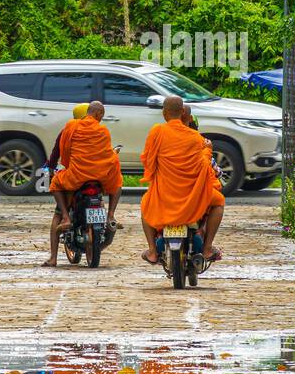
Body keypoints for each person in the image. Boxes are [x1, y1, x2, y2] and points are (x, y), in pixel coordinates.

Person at [140, 96, 224, 265]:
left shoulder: (157, 132)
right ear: (183, 112)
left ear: (164, 112)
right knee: (219, 201)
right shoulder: (195, 138)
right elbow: (204, 165)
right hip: (192, 196)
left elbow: (148, 162)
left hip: (164, 194)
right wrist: (208, 151)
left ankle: (152, 251)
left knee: (145, 204)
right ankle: (207, 248)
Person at [45, 101, 122, 267]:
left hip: (77, 177)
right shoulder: (102, 130)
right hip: (99, 178)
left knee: (56, 184)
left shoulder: (70, 127)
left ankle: (64, 221)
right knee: (117, 180)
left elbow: (63, 154)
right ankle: (110, 215)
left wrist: (66, 166)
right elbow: (106, 153)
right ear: (99, 115)